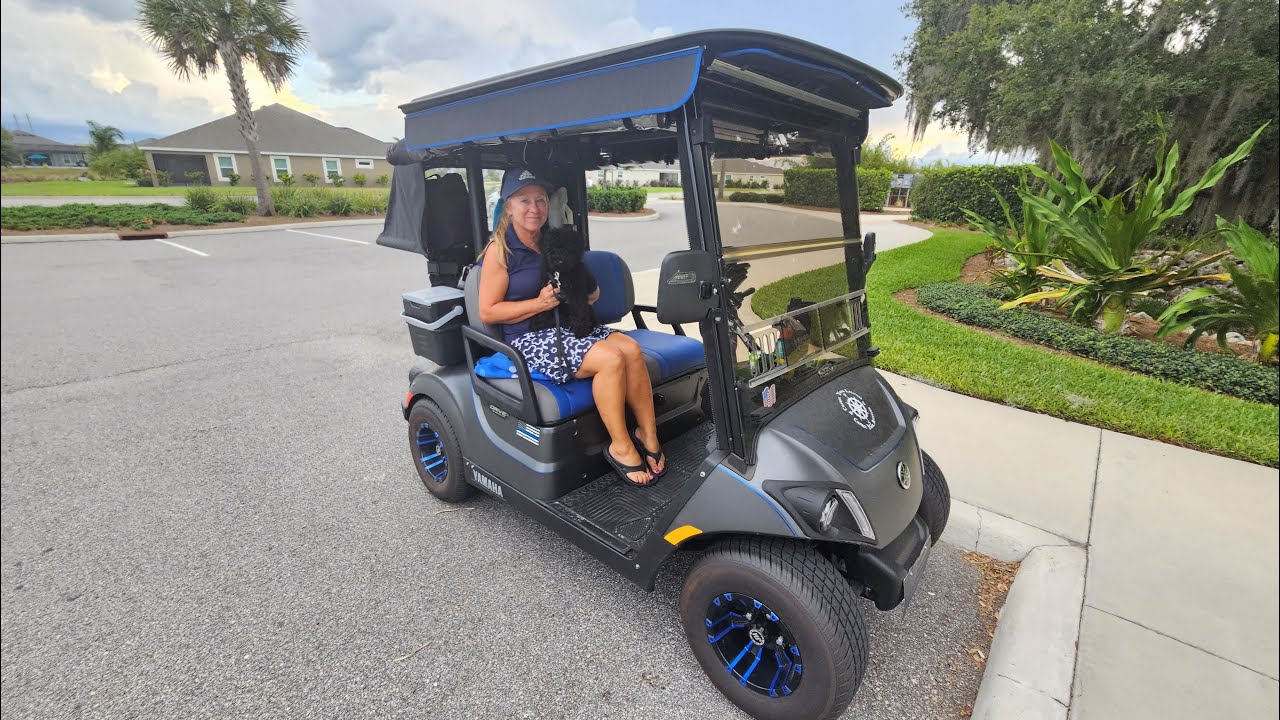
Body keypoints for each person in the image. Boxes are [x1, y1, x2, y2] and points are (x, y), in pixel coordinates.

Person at [476, 167, 665, 486]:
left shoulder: (551, 240)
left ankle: (647, 433)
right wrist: (539, 304)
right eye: (524, 200)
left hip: (564, 327)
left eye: (539, 200)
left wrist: (591, 293)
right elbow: (488, 312)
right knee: (610, 358)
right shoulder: (501, 251)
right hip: (528, 337)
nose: (534, 208)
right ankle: (620, 447)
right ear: (508, 206)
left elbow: (580, 279)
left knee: (631, 349)